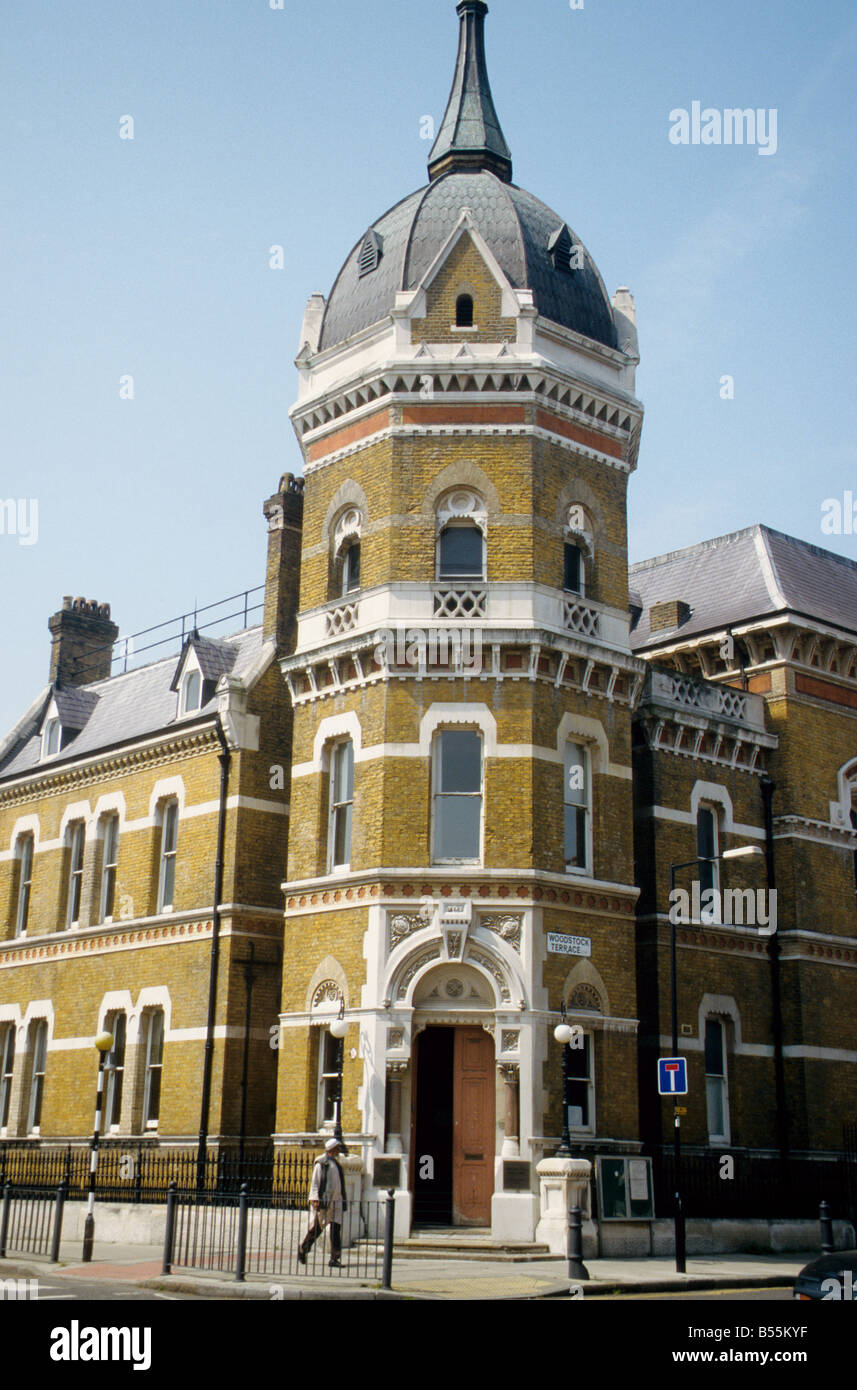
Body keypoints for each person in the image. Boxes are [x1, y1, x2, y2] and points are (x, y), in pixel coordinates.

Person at [298, 1137, 347, 1267]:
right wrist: (314, 1199)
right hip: (325, 1201)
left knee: (336, 1229)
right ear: (332, 1149)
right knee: (318, 1228)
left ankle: (334, 1258)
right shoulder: (321, 1163)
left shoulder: (336, 1163)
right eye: (337, 1148)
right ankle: (303, 1248)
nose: (339, 1150)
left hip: (337, 1200)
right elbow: (315, 1183)